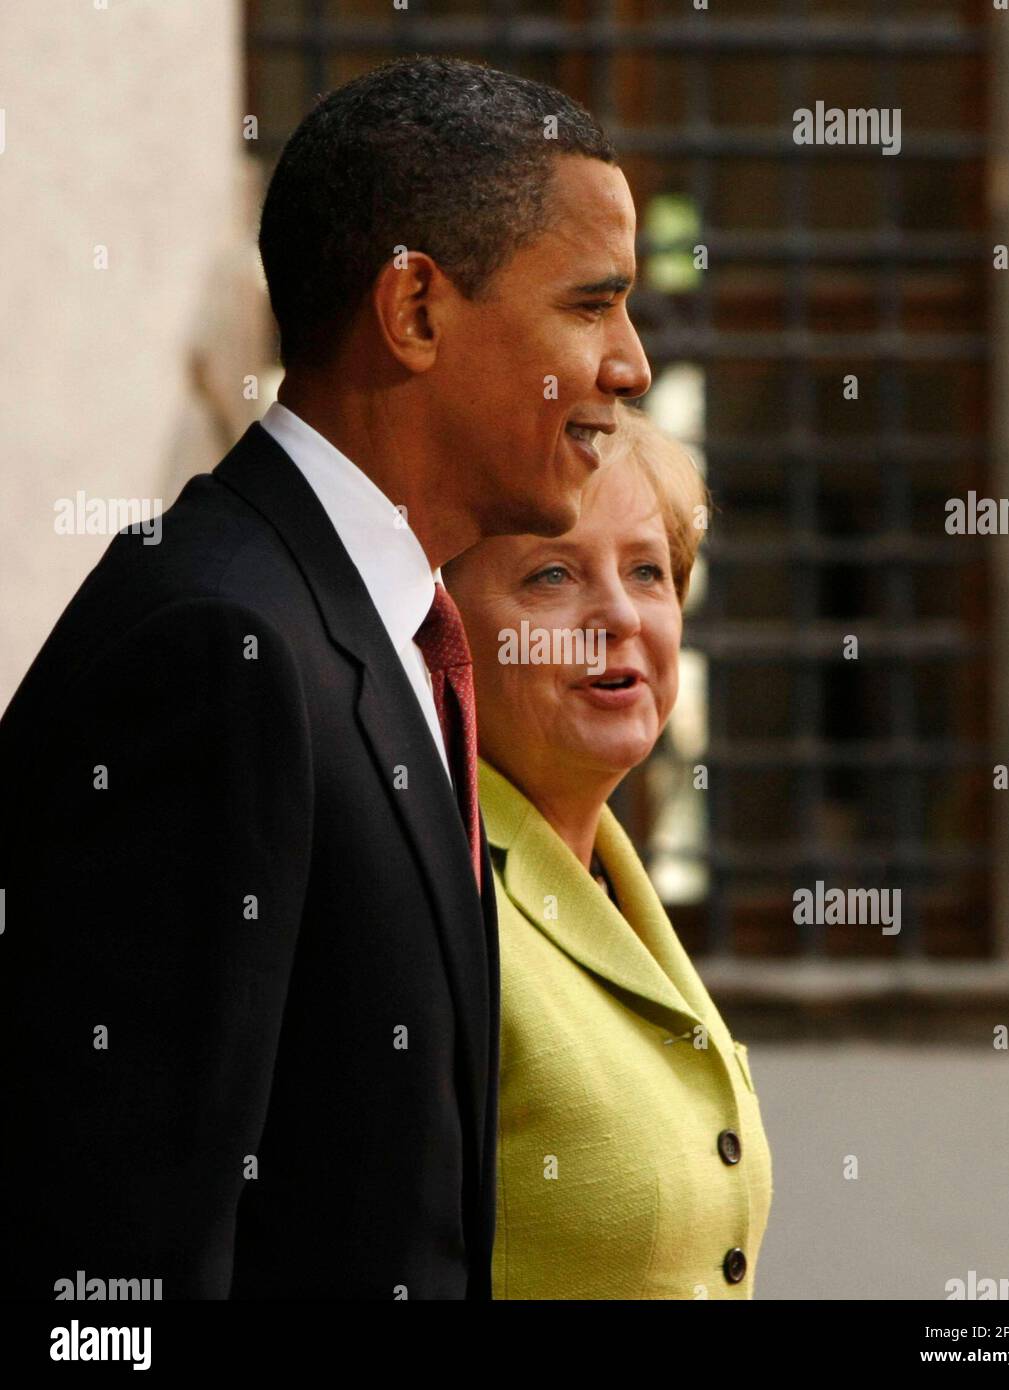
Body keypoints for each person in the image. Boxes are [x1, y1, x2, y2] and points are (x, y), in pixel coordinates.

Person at [0, 56, 650, 1300]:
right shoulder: (218, 647)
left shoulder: (373, 624)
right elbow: (115, 1259)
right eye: (591, 304)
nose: (630, 364)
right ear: (413, 310)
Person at [444, 403, 772, 1299]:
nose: (618, 615)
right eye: (552, 576)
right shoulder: (435, 886)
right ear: (443, 629)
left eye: (649, 572)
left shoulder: (612, 875)